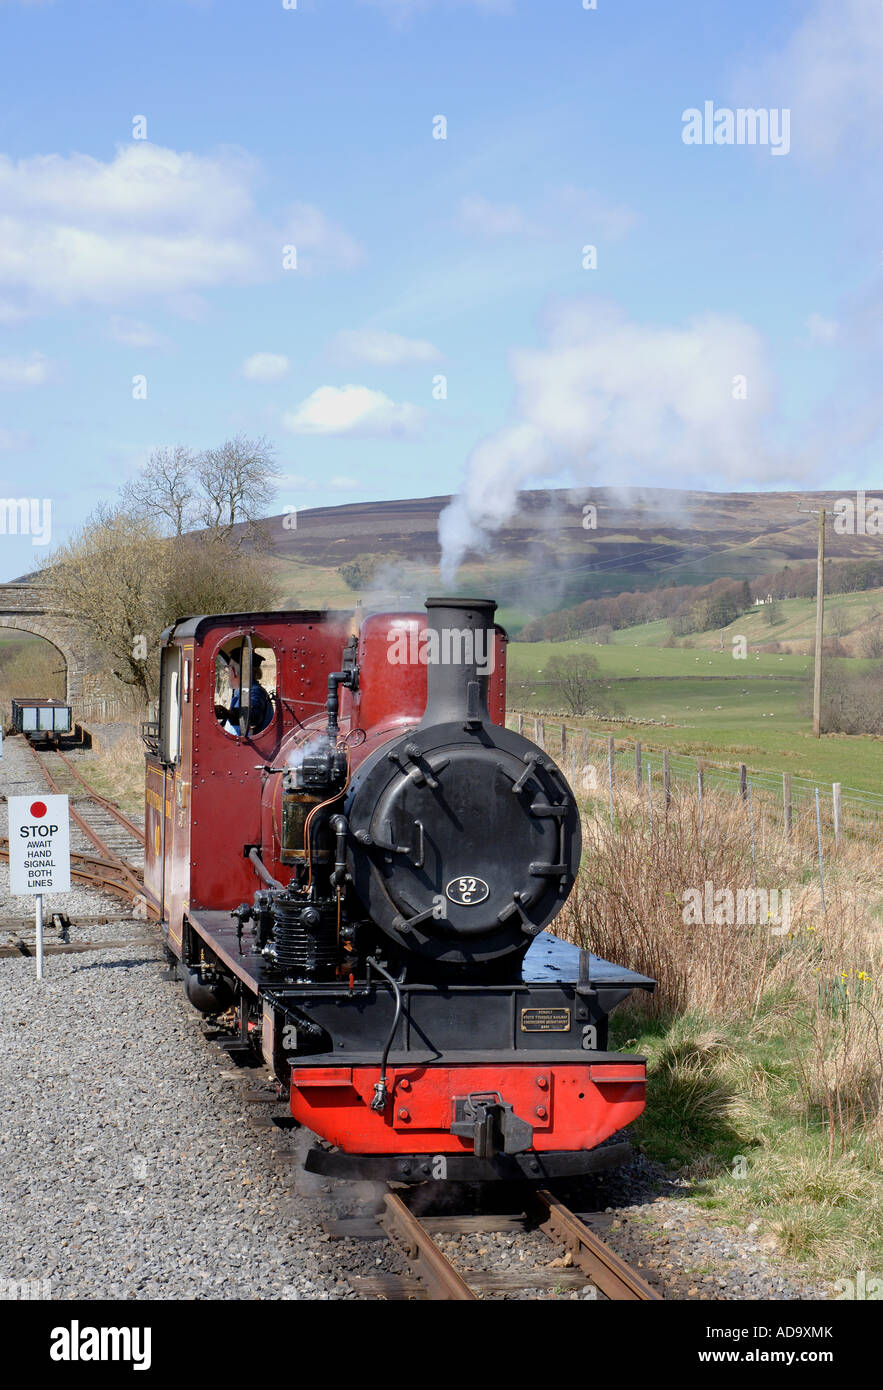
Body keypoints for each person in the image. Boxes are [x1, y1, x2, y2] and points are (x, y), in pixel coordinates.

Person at [214, 648, 273, 735]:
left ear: (234, 672)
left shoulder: (254, 692)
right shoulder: (244, 692)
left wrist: (228, 713)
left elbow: (252, 716)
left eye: (228, 668)